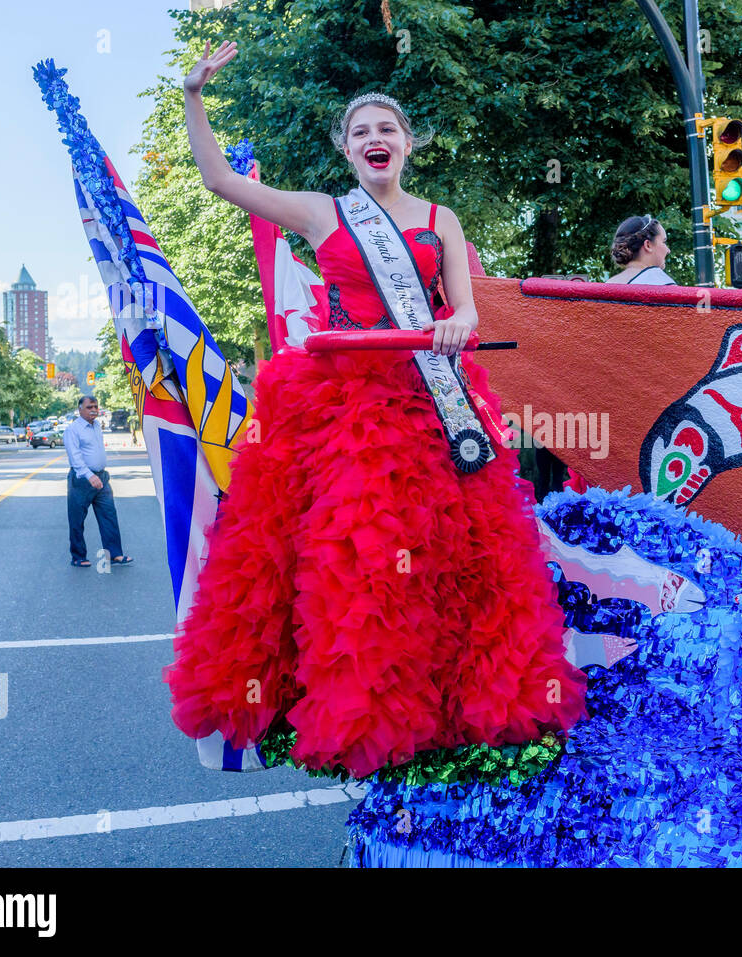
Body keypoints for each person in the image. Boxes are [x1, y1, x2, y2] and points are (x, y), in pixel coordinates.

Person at [163, 41, 586, 779]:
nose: (375, 139)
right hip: (347, 408)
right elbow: (219, 178)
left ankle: (451, 709)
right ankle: (370, 716)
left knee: (460, 559)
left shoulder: (441, 218)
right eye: (360, 132)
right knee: (356, 563)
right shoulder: (325, 213)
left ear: (408, 143)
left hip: (433, 402)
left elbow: (466, 307)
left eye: (386, 128)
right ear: (347, 150)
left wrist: (457, 321)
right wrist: (196, 96)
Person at [64, 395, 133, 568]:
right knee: (77, 519)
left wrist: (99, 474)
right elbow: (75, 457)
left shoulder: (96, 426)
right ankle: (78, 557)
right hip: (82, 480)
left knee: (109, 515)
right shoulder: (73, 430)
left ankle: (115, 554)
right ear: (80, 409)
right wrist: (90, 475)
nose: (93, 409)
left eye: (95, 406)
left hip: (102, 478)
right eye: (89, 407)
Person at [605, 214, 678, 285]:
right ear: (648, 245)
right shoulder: (662, 283)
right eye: (664, 241)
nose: (668, 250)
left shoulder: (607, 286)